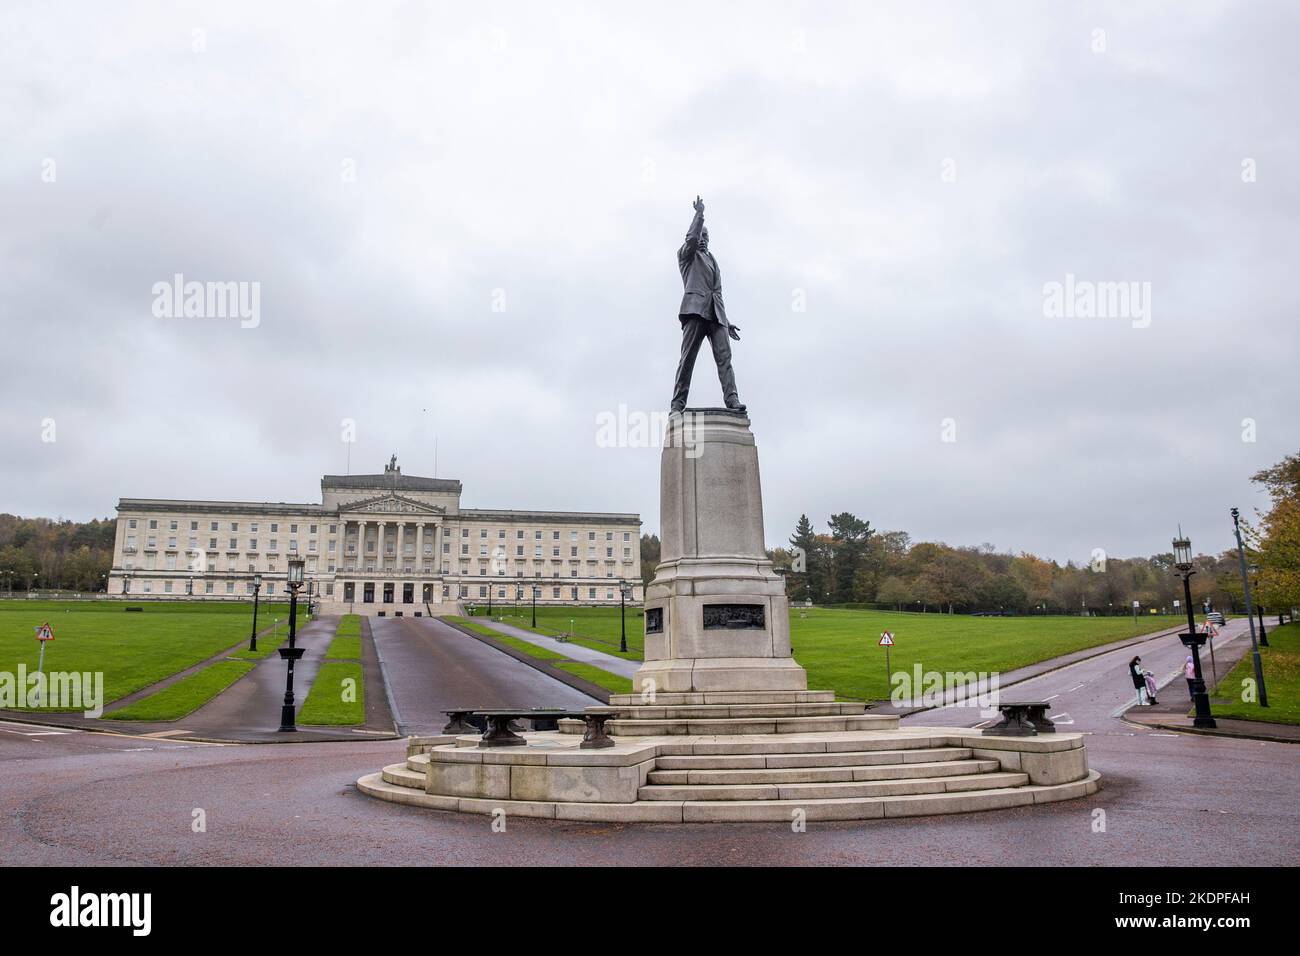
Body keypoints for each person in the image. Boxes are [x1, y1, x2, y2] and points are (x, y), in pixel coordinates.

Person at [670, 196, 746, 414]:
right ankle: (677, 404)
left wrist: (727, 321)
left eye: (707, 237)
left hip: (717, 316)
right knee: (687, 359)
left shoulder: (714, 261)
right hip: (695, 311)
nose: (703, 239)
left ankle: (732, 400)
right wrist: (699, 215)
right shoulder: (686, 256)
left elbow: (717, 293)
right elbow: (692, 238)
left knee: (725, 360)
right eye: (701, 235)